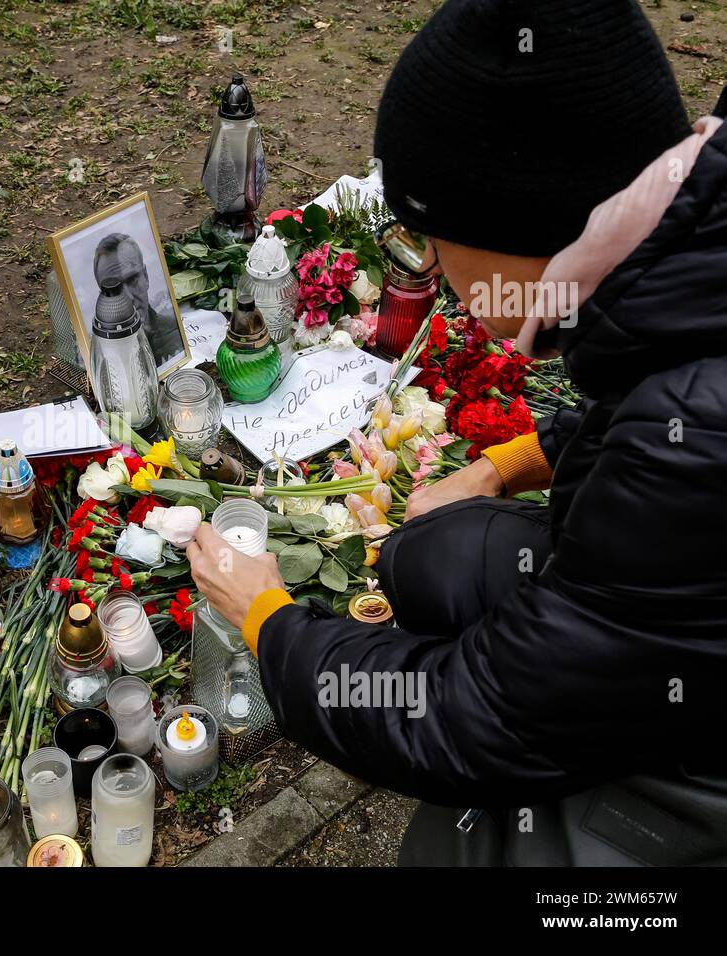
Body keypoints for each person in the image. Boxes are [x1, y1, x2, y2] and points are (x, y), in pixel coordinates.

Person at [188, 0, 727, 865]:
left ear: (526, 227)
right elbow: (660, 402)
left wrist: (271, 626)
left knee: (463, 847)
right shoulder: (692, 229)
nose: (432, 269)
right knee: (429, 552)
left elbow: (481, 723)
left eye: (435, 238)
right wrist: (503, 466)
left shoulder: (699, 445)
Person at [92, 233, 184, 367]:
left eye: (132, 279)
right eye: (114, 289)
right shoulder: (100, 358)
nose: (128, 297)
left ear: (145, 277)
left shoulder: (174, 332)